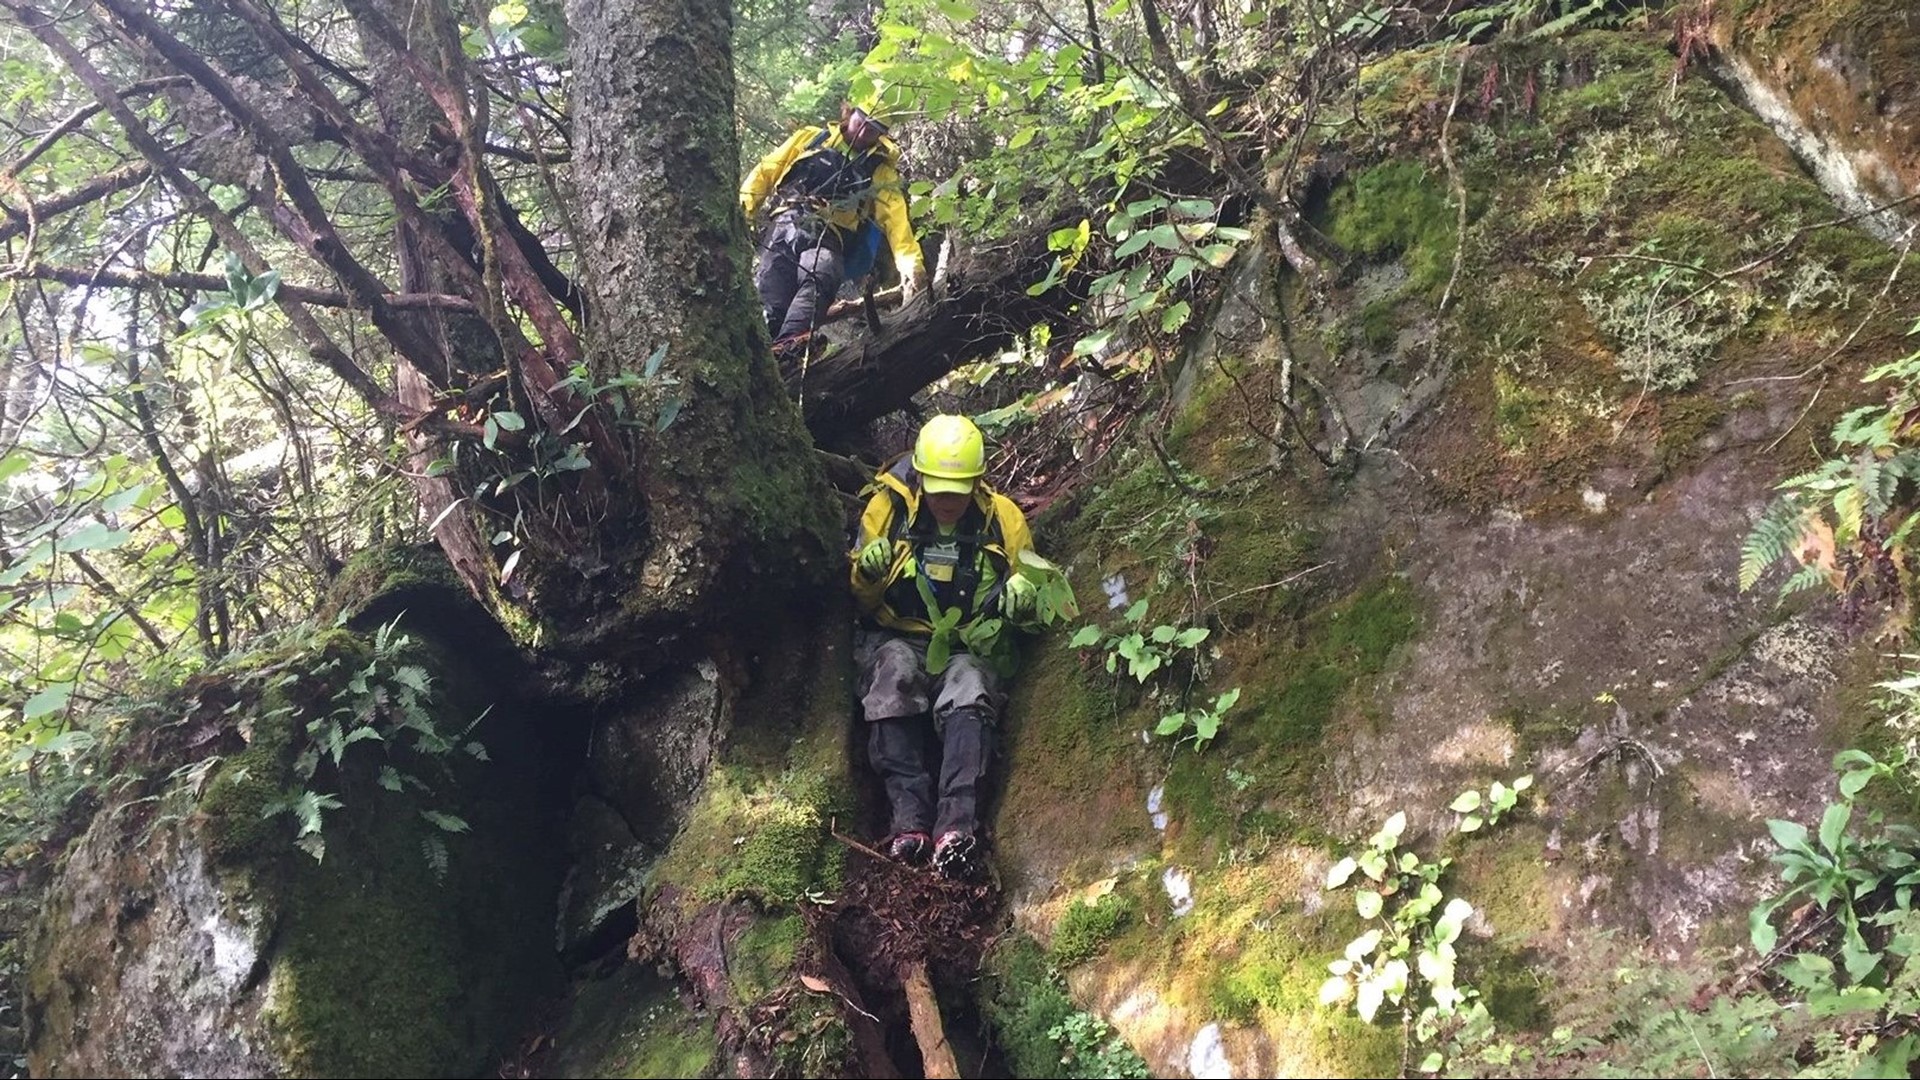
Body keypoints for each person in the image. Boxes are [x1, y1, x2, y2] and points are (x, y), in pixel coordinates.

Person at [848, 415, 1044, 877]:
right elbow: (859, 597)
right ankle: (908, 824)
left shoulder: (1003, 518)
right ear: (919, 477)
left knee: (970, 687)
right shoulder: (887, 510)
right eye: (938, 488)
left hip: (967, 646)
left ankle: (956, 829)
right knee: (891, 677)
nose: (948, 499)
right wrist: (867, 572)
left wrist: (1024, 599)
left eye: (957, 488)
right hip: (896, 635)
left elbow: (1034, 592)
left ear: (976, 482)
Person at [740, 103, 927, 348]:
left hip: (829, 233)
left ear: (881, 133)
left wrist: (912, 265)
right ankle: (765, 360)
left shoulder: (880, 171)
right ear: (850, 114)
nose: (863, 132)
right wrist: (743, 210)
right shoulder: (811, 138)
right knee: (770, 304)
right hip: (784, 224)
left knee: (822, 276)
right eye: (862, 122)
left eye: (873, 129)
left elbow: (896, 220)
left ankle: (789, 347)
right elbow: (766, 171)